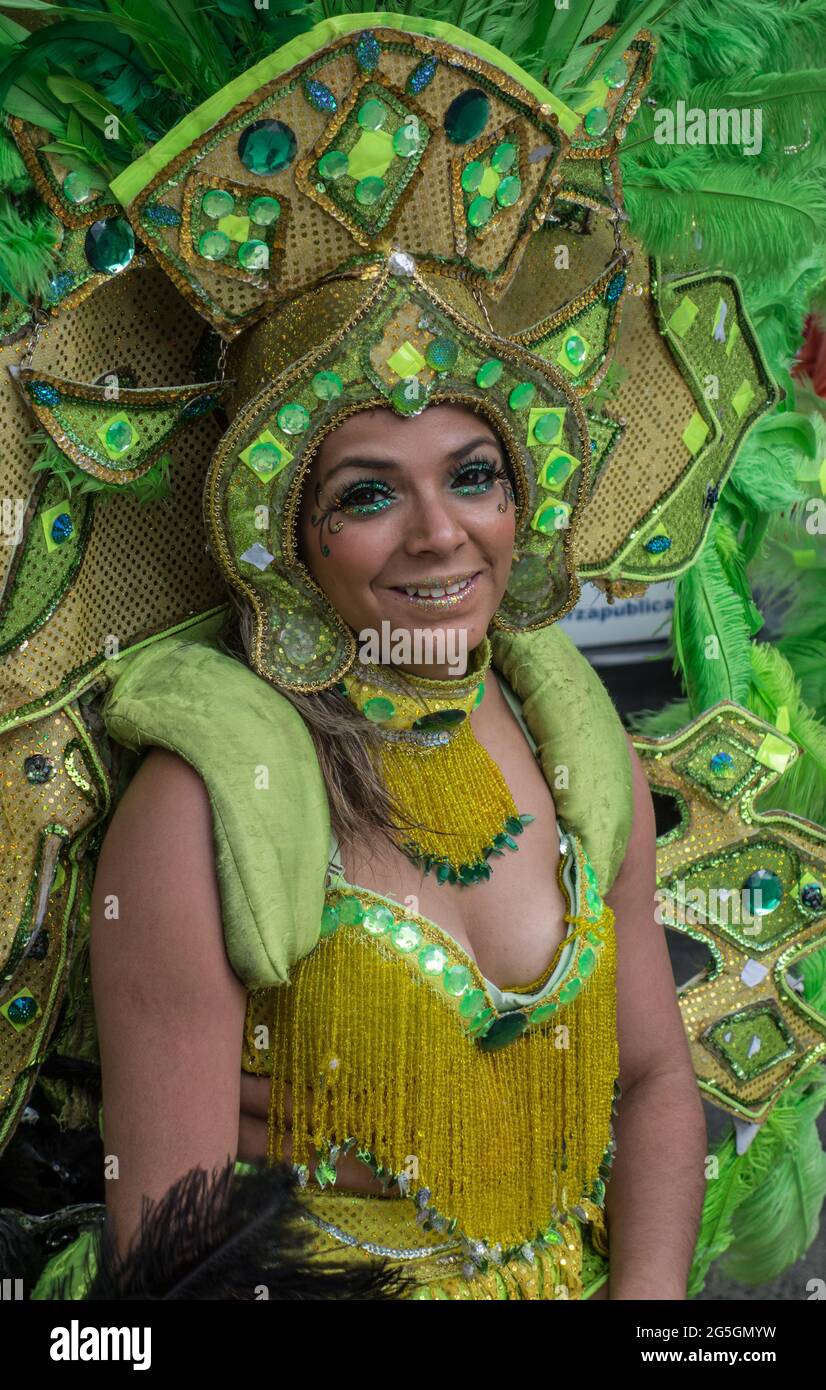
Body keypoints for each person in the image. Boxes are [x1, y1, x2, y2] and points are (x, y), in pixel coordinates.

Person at [3, 3, 824, 1304]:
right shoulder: (203, 814)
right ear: (289, 531)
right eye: (369, 493)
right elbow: (168, 1280)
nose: (439, 535)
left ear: (526, 498)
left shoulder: (570, 739)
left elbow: (659, 1081)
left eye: (474, 473)